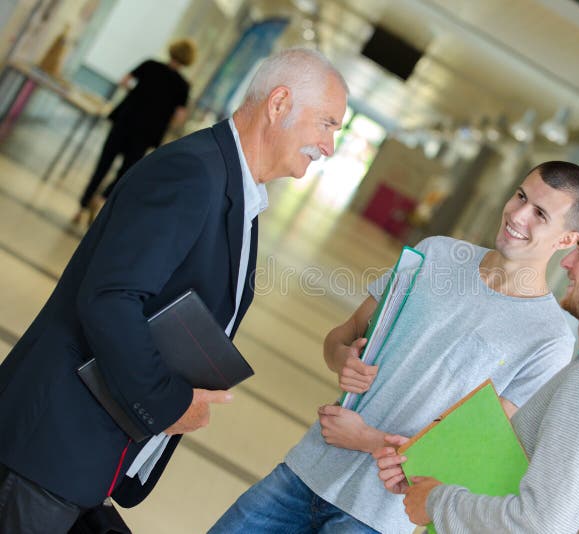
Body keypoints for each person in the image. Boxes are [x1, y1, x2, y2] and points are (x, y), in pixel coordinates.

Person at [0, 48, 348, 533]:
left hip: (89, 455)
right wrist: (168, 404)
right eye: (327, 124)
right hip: (50, 445)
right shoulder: (193, 173)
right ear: (279, 103)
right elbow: (111, 298)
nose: (328, 146)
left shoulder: (234, 190)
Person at [211, 161, 579, 533]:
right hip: (307, 469)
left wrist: (367, 440)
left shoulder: (549, 340)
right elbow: (341, 337)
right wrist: (343, 359)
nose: (518, 215)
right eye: (520, 197)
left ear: (567, 240)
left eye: (540, 214)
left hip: (378, 518)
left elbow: (465, 449)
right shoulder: (435, 254)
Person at [375, 190, 579, 533]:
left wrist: (438, 501)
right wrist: (431, 467)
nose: (567, 262)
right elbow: (516, 482)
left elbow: (538, 524)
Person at [72, 38, 197, 225]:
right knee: (126, 172)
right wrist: (162, 116)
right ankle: (102, 197)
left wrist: (138, 95)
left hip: (125, 122)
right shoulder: (182, 86)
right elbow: (179, 116)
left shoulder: (150, 65)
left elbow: (125, 81)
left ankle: (81, 208)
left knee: (103, 165)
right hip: (146, 134)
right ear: (189, 59)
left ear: (172, 50)